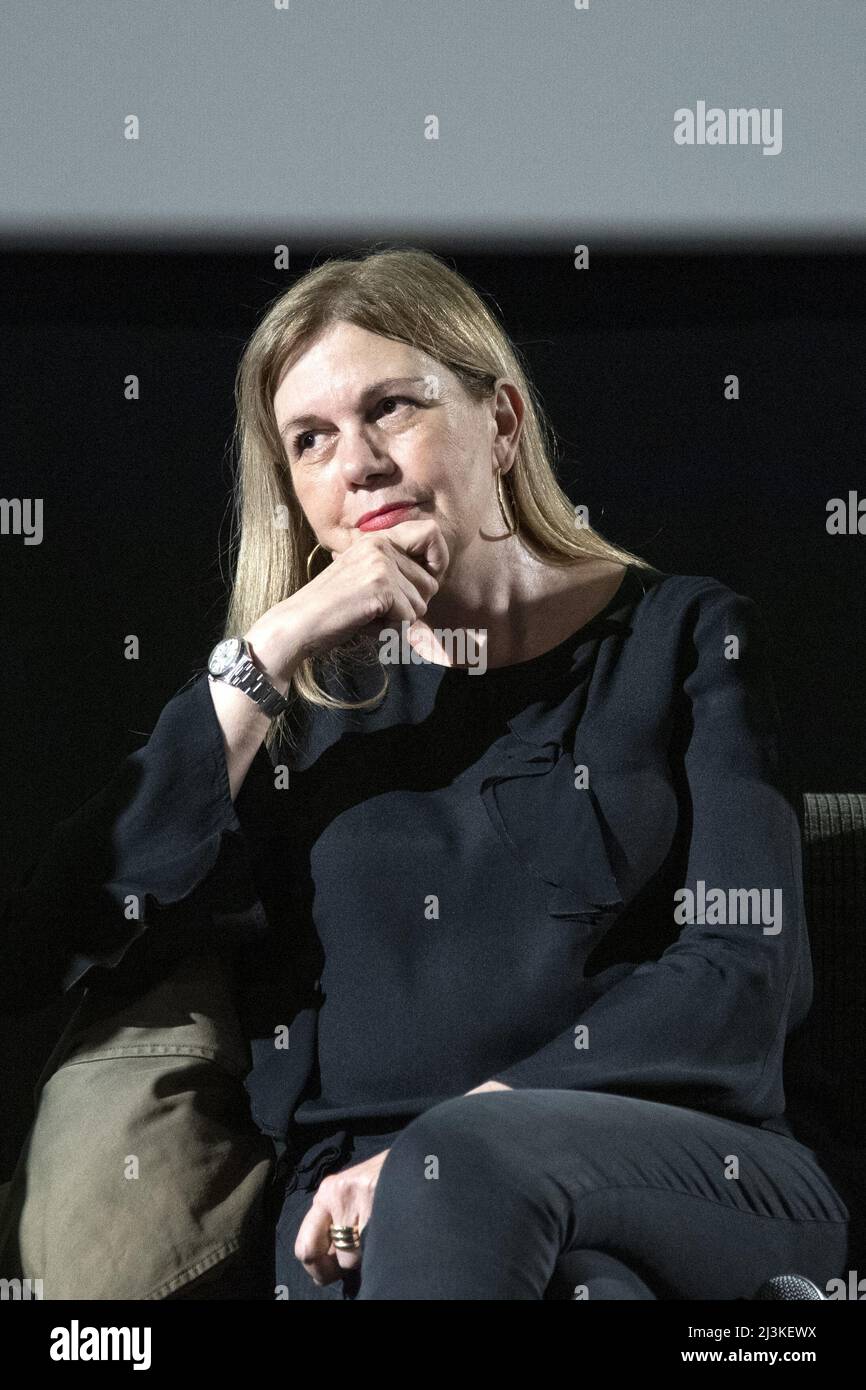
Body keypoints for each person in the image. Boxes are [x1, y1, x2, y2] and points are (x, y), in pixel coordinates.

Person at [1, 248, 851, 1300]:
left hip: (678, 1158)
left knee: (469, 1175)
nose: (354, 462)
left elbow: (742, 977)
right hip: (353, 1204)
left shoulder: (685, 639)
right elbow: (63, 927)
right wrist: (270, 649)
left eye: (390, 409)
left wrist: (473, 1122)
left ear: (500, 424)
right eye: (309, 440)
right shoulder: (296, 713)